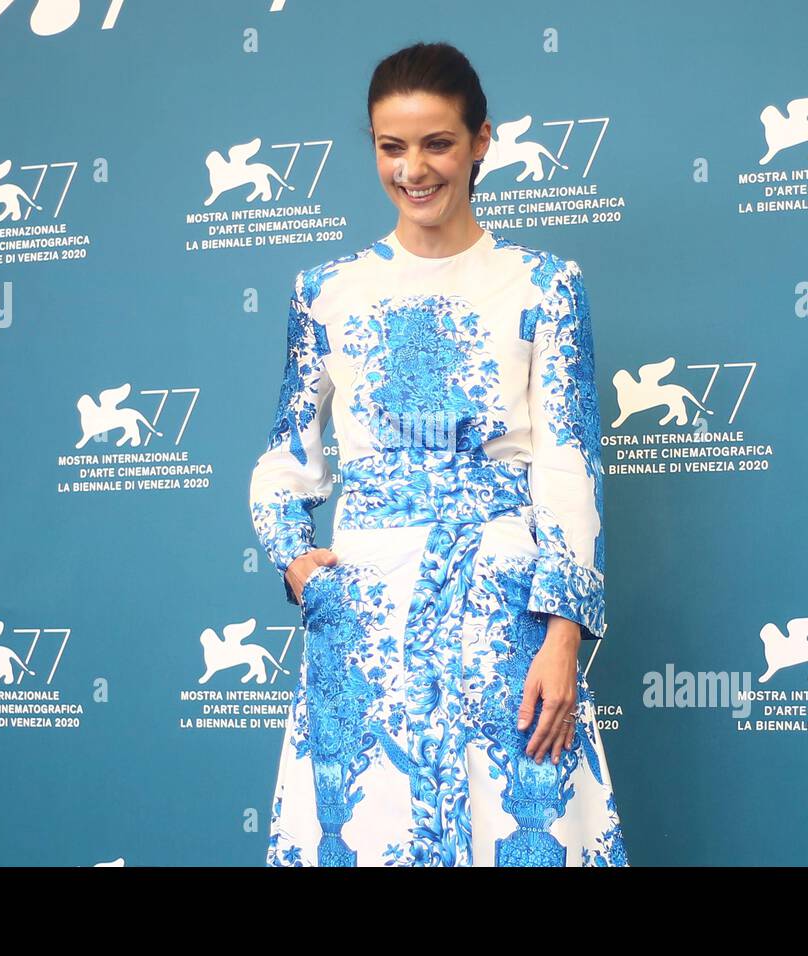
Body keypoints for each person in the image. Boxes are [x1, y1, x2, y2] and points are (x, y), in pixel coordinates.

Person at [248, 40, 630, 867]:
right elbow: (286, 457)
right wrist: (294, 558)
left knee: (523, 830)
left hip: (505, 611)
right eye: (392, 147)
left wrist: (563, 636)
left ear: (481, 141)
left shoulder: (545, 285)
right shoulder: (325, 291)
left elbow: (569, 468)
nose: (413, 169)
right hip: (366, 618)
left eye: (437, 143)